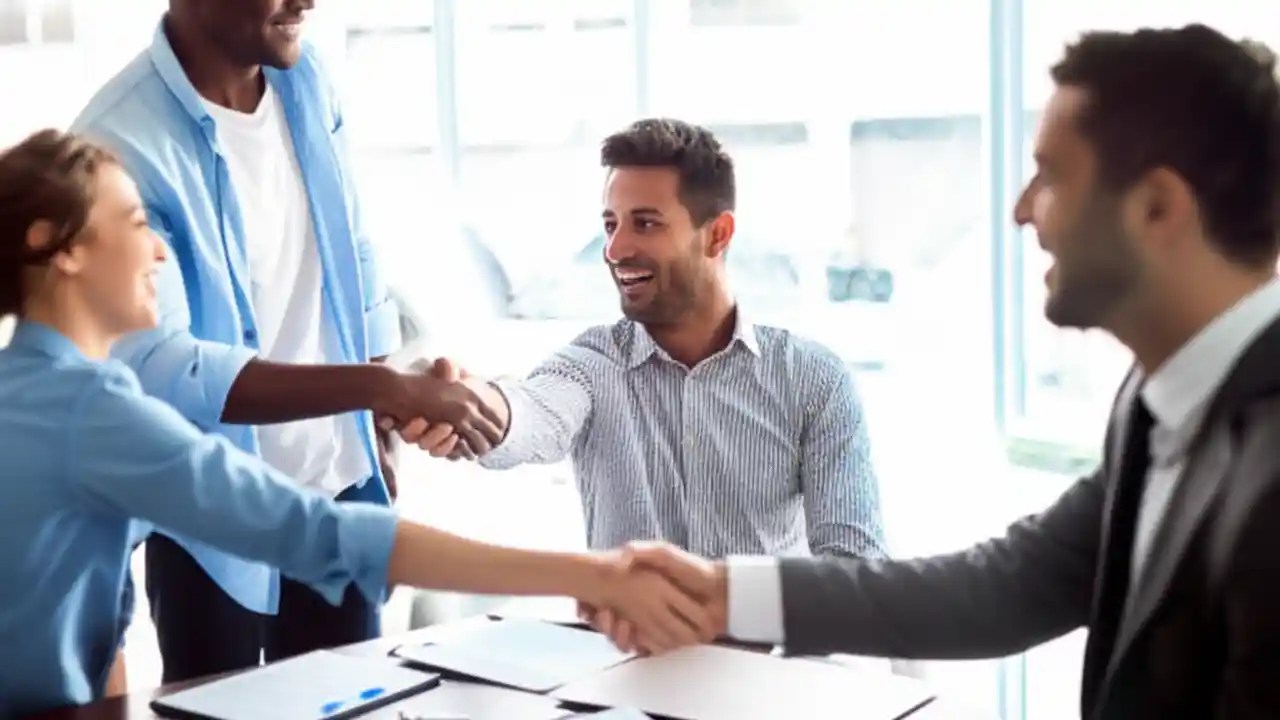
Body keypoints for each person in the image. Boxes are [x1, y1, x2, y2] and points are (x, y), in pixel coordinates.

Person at [594, 24, 1280, 718]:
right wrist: (720, 593)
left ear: (1158, 208)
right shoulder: (1159, 400)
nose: (1021, 211)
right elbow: (1007, 590)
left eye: (1051, 175)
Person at [0, 128, 713, 718]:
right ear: (56, 246)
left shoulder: (28, 394)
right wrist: (600, 573)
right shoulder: (89, 411)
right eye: (133, 226)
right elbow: (320, 536)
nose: (158, 250)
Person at [68, 1, 494, 682]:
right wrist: (382, 387)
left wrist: (376, 415)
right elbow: (168, 368)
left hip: (340, 491)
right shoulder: (116, 144)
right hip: (212, 527)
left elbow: (349, 251)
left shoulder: (307, 78)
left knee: (348, 701)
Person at [402, 118, 886, 562]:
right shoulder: (592, 364)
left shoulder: (813, 381)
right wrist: (466, 404)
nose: (615, 250)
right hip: (623, 654)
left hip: (763, 654)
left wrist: (741, 608)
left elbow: (854, 565)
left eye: (645, 223)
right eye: (610, 224)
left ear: (717, 235)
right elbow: (529, 413)